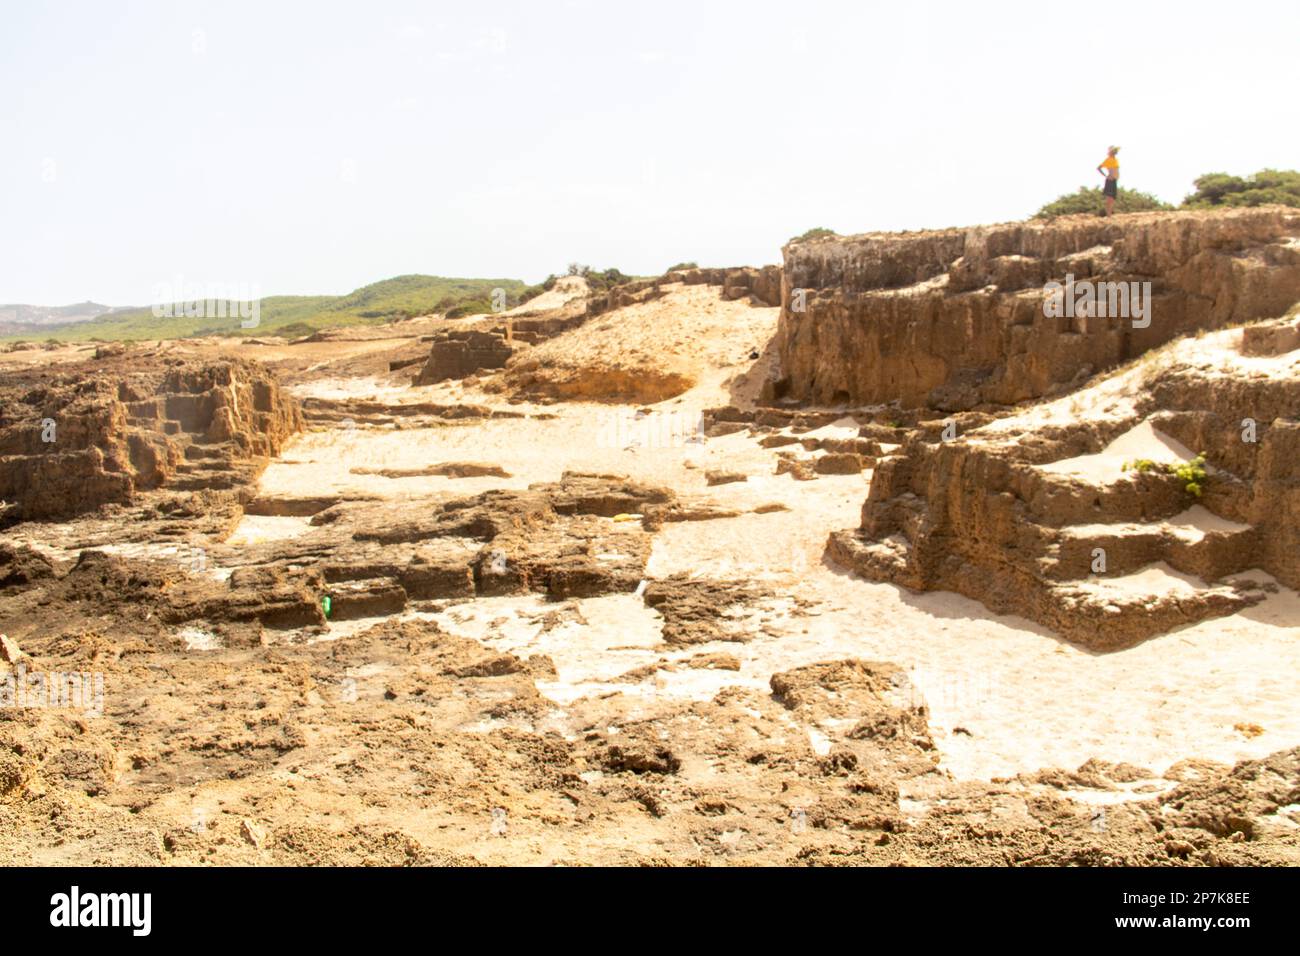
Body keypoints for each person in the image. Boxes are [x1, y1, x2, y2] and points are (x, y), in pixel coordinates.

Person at [1097, 146, 1120, 216]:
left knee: (1113, 198)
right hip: (1110, 180)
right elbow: (1099, 168)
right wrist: (1106, 175)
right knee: (1109, 198)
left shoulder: (1115, 159)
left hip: (1114, 180)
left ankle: (1109, 214)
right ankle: (1108, 215)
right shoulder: (1108, 159)